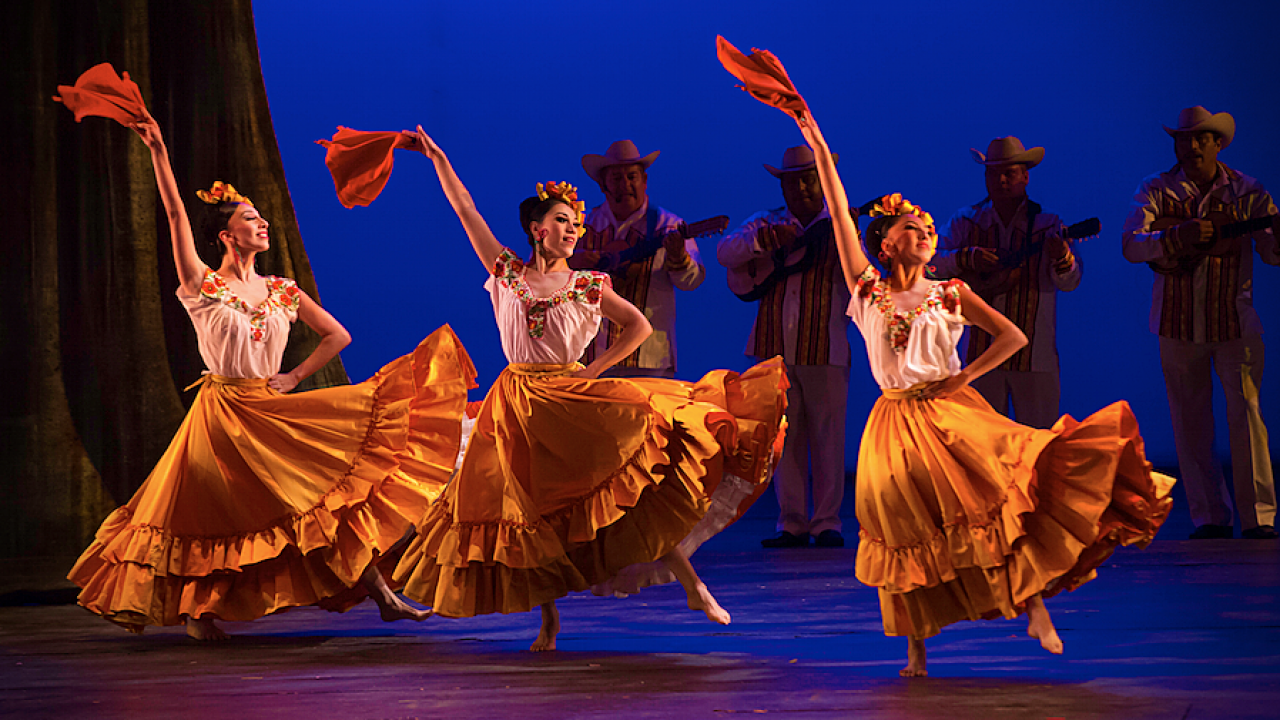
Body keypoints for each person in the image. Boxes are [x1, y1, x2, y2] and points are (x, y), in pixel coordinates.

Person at [781, 103, 1173, 676]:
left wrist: (963, 377)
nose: (923, 233)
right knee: (904, 531)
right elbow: (840, 214)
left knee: (993, 506)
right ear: (885, 244)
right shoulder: (867, 290)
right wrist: (816, 144)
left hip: (950, 410)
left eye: (928, 228)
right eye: (910, 228)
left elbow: (1011, 336)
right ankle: (915, 651)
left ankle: (1033, 602)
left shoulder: (951, 292)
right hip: (893, 422)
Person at [68, 113, 477, 640]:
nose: (262, 224)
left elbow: (338, 336)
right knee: (207, 516)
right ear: (225, 234)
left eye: (262, 218)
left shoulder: (282, 290)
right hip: (221, 418)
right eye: (251, 218)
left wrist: (295, 375)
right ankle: (198, 611)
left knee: (320, 503)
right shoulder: (202, 284)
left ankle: (384, 595)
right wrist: (158, 147)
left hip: (268, 408)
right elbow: (173, 213)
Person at [392, 126, 787, 652]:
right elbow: (466, 210)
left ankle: (693, 585)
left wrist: (595, 370)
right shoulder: (505, 272)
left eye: (576, 223)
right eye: (561, 221)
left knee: (634, 489)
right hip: (516, 403)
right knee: (526, 512)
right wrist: (439, 158)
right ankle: (548, 618)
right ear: (536, 230)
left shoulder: (587, 284)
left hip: (569, 397)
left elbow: (639, 327)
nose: (572, 229)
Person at [1121, 106, 1279, 540]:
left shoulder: (1249, 191)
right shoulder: (1155, 188)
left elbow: (1272, 252)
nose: (1190, 146)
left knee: (1247, 417)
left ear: (1217, 143)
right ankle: (1210, 516)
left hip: (1236, 319)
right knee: (1189, 422)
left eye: (1199, 139)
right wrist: (1176, 236)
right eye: (1183, 139)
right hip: (1176, 322)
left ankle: (1259, 518)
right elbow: (1132, 245)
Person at [717, 146, 851, 548]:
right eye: (794, 181)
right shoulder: (766, 221)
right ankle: (790, 521)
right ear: (784, 186)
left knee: (829, 437)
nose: (803, 187)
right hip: (773, 347)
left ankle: (827, 521)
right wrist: (764, 241)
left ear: (823, 182)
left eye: (809, 179)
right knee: (783, 439)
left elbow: (864, 270)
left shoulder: (843, 225)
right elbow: (726, 252)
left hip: (827, 343)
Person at [933, 137, 1083, 429]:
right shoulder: (964, 222)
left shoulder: (1049, 224)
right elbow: (929, 265)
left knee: (1039, 441)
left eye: (1009, 173)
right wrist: (965, 258)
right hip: (979, 357)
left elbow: (1070, 282)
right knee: (984, 444)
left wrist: (1062, 257)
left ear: (1025, 177)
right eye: (993, 173)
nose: (1001, 179)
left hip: (1035, 356)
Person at [569, 140, 705, 379]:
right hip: (591, 355)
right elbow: (546, 269)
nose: (625, 185)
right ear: (603, 185)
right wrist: (576, 263)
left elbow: (691, 282)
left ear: (644, 180)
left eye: (632, 177)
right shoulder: (582, 226)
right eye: (616, 179)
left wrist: (678, 256)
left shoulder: (669, 225)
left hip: (650, 356)